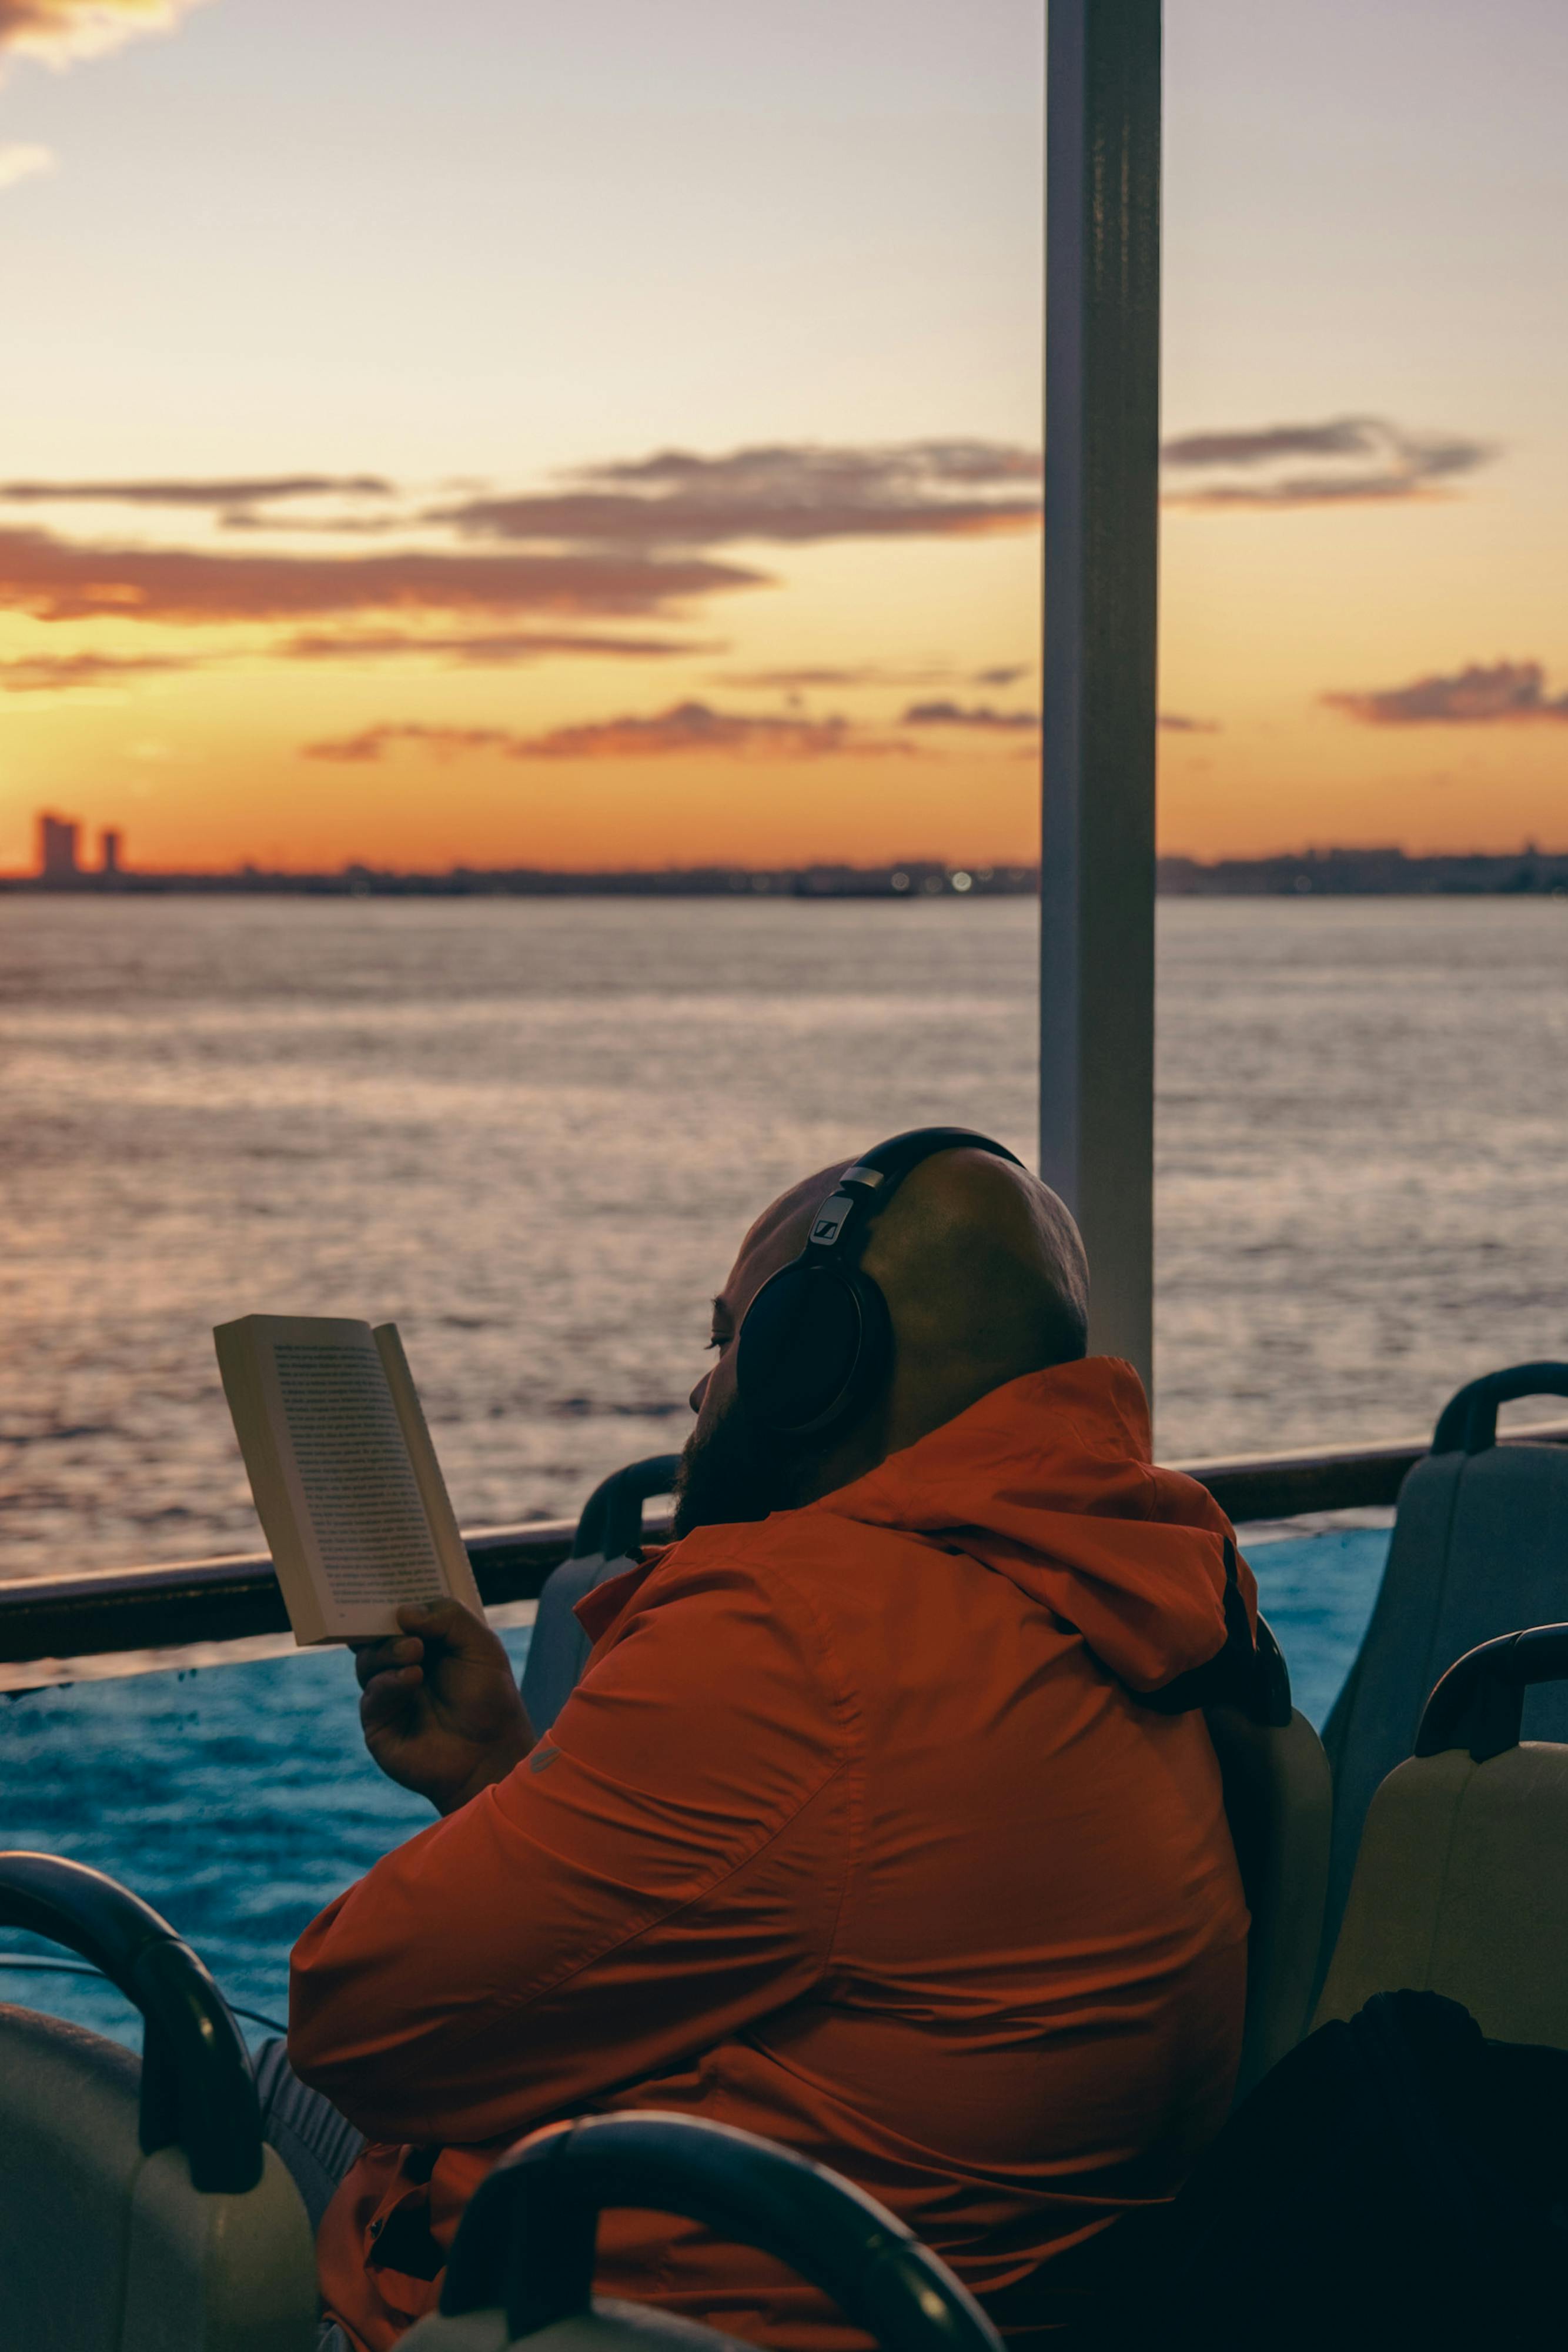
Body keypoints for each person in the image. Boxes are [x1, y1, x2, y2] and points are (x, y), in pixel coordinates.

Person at [281, 1137, 1260, 2352]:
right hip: (943, 2292)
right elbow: (815, 1893)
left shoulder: (804, 1637)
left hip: (599, 2307)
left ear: (814, 1361)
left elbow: (353, 2021)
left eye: (725, 1340)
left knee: (180, 2093)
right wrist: (503, 1776)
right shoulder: (1122, 1589)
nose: (701, 1393)